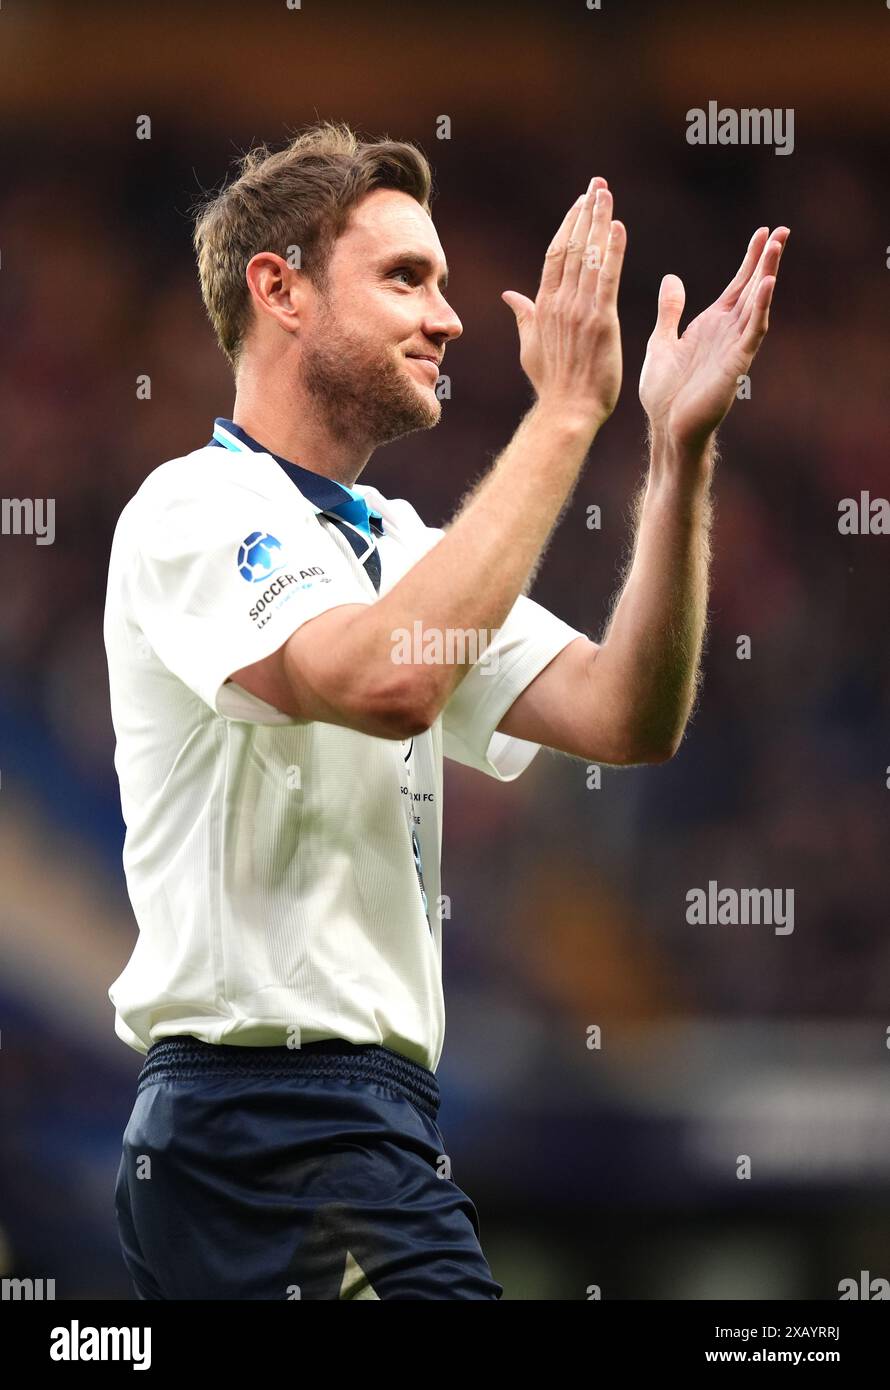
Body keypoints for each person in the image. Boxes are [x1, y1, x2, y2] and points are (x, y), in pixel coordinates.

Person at [105, 120, 787, 1299]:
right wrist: (563, 414)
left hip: (354, 1124)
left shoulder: (399, 550)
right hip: (268, 1126)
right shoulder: (192, 508)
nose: (450, 317)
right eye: (404, 277)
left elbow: (627, 712)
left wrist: (676, 459)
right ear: (281, 290)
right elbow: (385, 683)